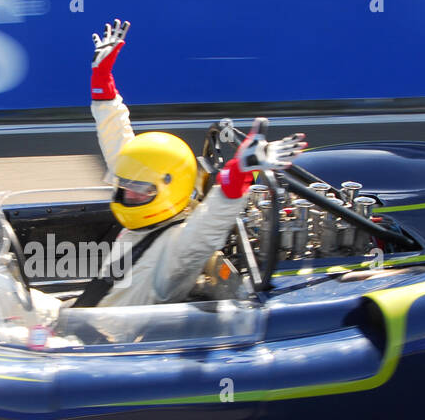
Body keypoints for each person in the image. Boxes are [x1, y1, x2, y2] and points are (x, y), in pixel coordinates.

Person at [77, 18, 305, 307]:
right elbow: (117, 142)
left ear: (170, 189)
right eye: (125, 186)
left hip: (110, 332)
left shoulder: (178, 245)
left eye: (140, 190)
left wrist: (239, 171)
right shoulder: (141, 199)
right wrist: (102, 81)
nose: (129, 194)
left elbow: (209, 225)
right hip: (85, 315)